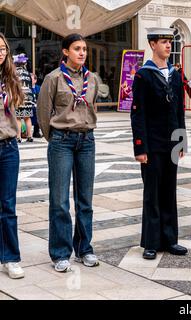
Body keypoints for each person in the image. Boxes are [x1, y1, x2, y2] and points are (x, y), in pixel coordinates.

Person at [37, 33, 100, 272]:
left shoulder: (91, 78)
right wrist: (53, 137)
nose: (82, 52)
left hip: (87, 141)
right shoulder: (53, 79)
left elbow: (92, 107)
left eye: (84, 48)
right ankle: (61, 253)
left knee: (85, 200)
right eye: (77, 48)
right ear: (65, 52)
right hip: (62, 141)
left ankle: (85, 249)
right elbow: (43, 112)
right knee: (60, 200)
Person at [130, 27, 188, 261]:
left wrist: (181, 141)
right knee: (152, 192)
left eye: (170, 42)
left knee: (169, 190)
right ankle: (151, 242)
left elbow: (180, 110)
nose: (168, 46)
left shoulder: (175, 74)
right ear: (152, 44)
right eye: (164, 41)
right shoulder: (143, 75)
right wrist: (140, 147)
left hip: (171, 141)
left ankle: (170, 238)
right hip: (152, 143)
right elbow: (138, 113)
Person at [0, 32, 25, 279]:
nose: (0, 53)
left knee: (8, 204)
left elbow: (18, 106)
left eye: (3, 49)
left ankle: (10, 258)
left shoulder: (10, 79)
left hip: (7, 147)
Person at [13, 54, 34, 143]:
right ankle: (30, 136)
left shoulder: (14, 72)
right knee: (27, 117)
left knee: (18, 117)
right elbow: (31, 84)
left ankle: (18, 137)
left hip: (19, 97)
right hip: (29, 97)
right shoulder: (28, 73)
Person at [30, 73, 42, 138]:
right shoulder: (26, 88)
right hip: (28, 105)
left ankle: (36, 132)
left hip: (37, 105)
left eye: (31, 79)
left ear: (35, 80)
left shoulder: (39, 88)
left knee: (38, 112)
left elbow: (41, 98)